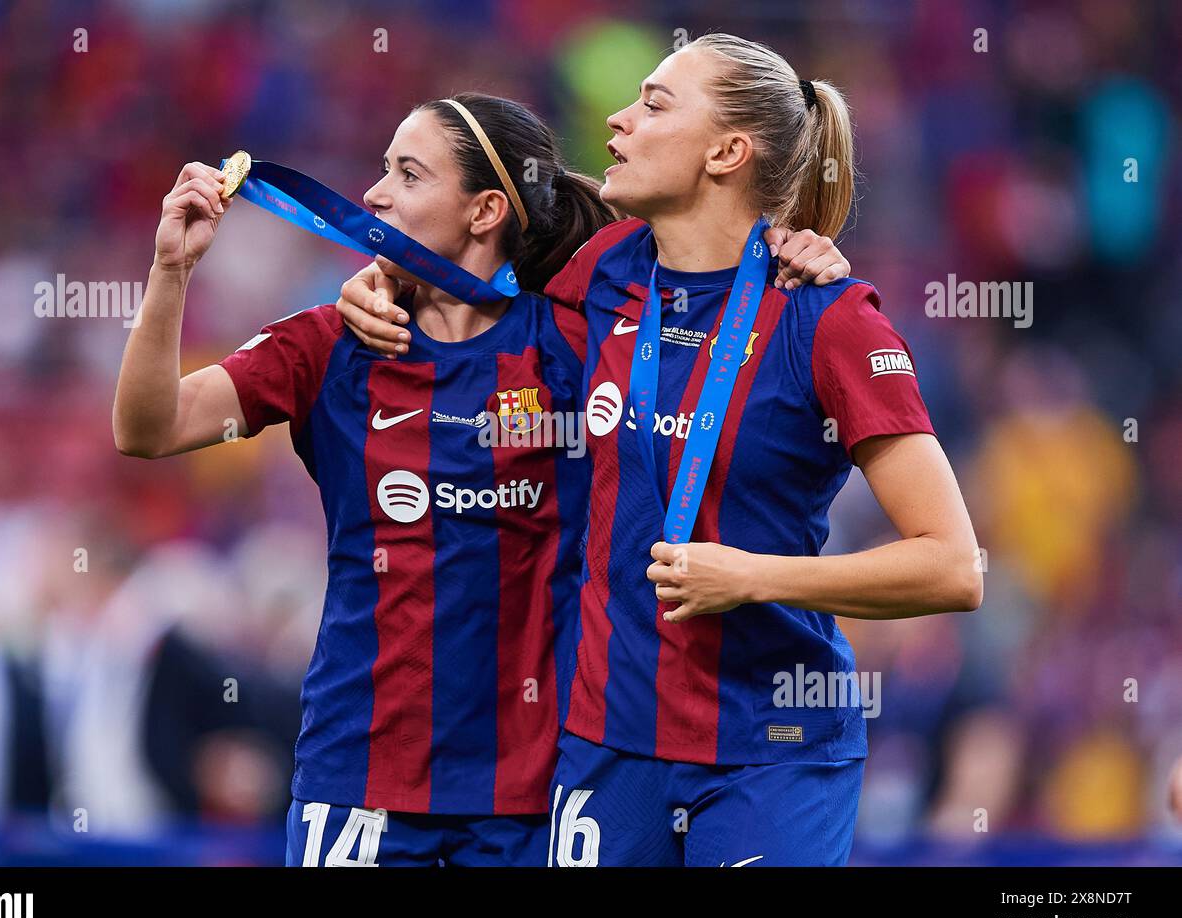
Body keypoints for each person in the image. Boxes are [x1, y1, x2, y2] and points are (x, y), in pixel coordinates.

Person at [113, 90, 851, 865]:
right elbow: (149, 428)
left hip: (537, 797)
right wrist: (171, 270)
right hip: (360, 776)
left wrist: (791, 252)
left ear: (485, 210)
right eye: (382, 170)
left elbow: (706, 282)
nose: (372, 193)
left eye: (408, 172)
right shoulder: (331, 344)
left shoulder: (576, 342)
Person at [339, 35, 980, 867]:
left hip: (771, 746)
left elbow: (953, 566)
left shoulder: (829, 319)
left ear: (726, 151)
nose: (618, 118)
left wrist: (751, 575)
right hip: (608, 745)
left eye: (654, 104)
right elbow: (463, 288)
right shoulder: (602, 269)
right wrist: (382, 283)